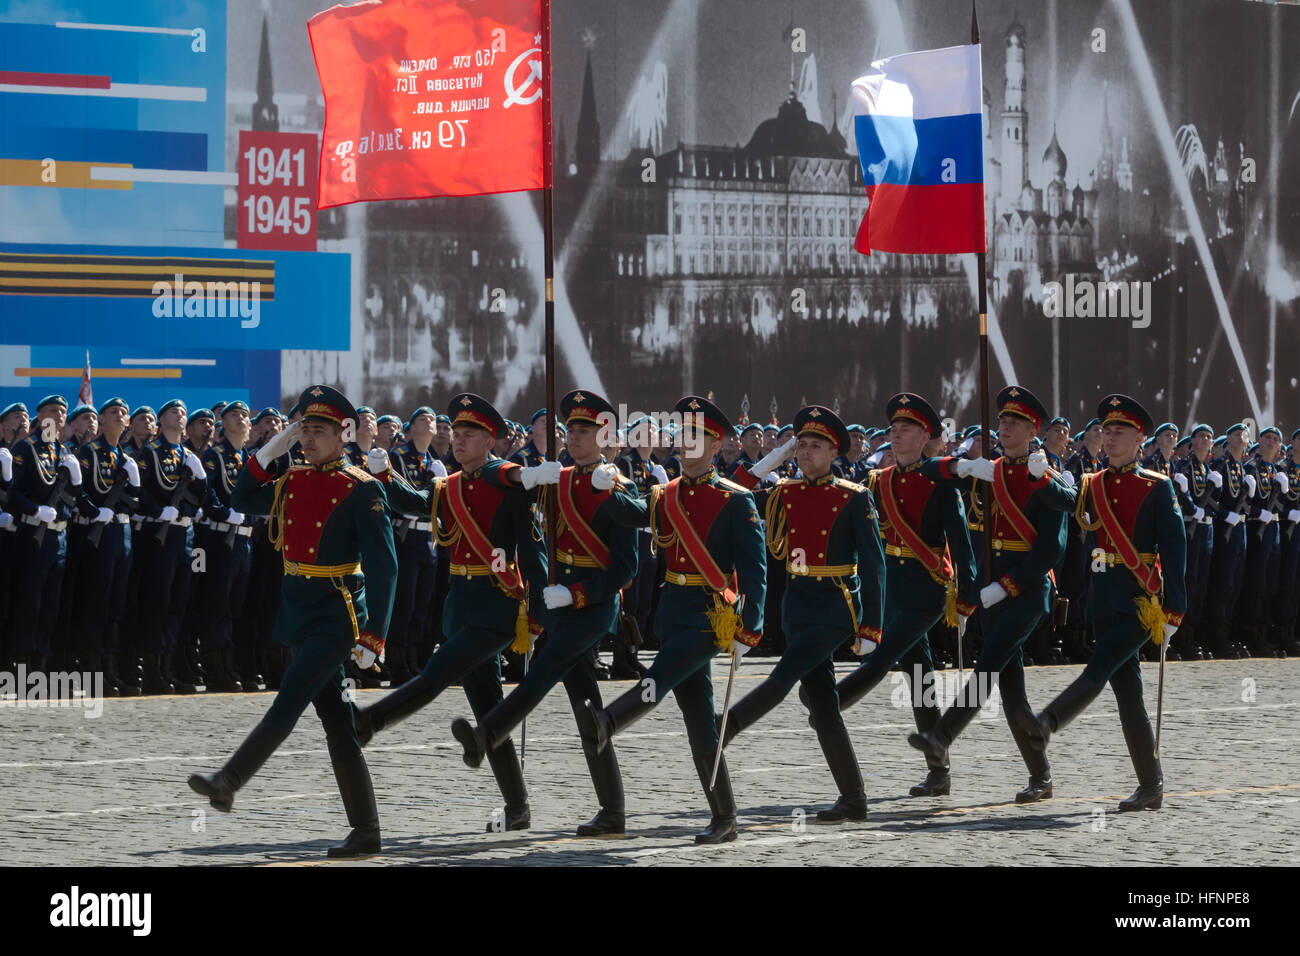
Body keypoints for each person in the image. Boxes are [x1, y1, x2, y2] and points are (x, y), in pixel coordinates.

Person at [188, 385, 398, 857]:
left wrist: (375, 634)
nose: (307, 438)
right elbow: (242, 495)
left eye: (318, 430)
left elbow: (386, 568)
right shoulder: (293, 482)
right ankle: (366, 830)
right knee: (338, 724)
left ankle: (230, 779)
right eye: (303, 429)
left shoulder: (362, 489)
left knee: (290, 698)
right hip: (299, 610)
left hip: (338, 613)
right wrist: (270, 449)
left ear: (342, 435)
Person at [356, 393, 553, 831]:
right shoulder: (449, 485)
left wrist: (539, 612)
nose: (458, 442)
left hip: (497, 605)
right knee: (488, 707)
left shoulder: (507, 478)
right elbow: (414, 503)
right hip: (460, 604)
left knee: (438, 670)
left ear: (489, 440)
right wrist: (384, 475)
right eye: (457, 434)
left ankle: (371, 720)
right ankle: (518, 808)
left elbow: (535, 553)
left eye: (469, 435)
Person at [575, 395, 766, 844]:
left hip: (709, 616)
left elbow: (755, 572)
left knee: (660, 675)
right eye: (681, 434)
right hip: (674, 610)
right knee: (700, 720)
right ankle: (725, 816)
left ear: (716, 444)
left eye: (694, 436)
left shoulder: (736, 501)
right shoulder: (665, 493)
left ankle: (609, 722)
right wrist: (608, 484)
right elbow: (633, 513)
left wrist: (750, 627)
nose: (684, 442)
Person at [451, 388, 639, 835]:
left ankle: (485, 735)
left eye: (584, 429)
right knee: (586, 708)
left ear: (605, 434)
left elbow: (626, 569)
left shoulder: (619, 486)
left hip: (592, 608)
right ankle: (612, 811)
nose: (573, 436)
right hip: (559, 605)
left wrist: (575, 595)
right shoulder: (557, 480)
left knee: (541, 673)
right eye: (570, 428)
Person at [1017, 394, 1187, 812]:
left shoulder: (1157, 487)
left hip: (1138, 602)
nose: (1110, 438)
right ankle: (1151, 786)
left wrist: (1175, 611)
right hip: (1102, 599)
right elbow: (1066, 499)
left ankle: (1047, 722)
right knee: (1129, 696)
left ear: (1139, 437)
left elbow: (1176, 551)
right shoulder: (1093, 483)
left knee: (1099, 668)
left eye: (1120, 431)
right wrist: (1041, 477)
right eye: (1106, 431)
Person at [804, 393, 979, 797]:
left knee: (881, 657)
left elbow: (963, 548)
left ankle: (829, 703)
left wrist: (966, 599)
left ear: (926, 438)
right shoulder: (877, 482)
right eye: (894, 429)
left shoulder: (942, 486)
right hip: (892, 589)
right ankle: (939, 770)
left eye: (906, 430)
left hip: (927, 590)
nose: (896, 435)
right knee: (919, 677)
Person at [908, 386, 1078, 802]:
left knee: (987, 666)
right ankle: (1041, 776)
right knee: (1012, 692)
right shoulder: (989, 470)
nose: (1004, 428)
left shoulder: (1044, 475)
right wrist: (963, 467)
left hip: (1024, 593)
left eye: (1014, 422)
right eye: (1002, 421)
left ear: (1033, 429)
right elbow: (924, 471)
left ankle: (941, 735)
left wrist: (1007, 587)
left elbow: (1051, 549)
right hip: (988, 593)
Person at [723, 406, 885, 821]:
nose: (806, 453)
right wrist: (769, 462)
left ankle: (724, 726)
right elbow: (732, 494)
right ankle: (853, 799)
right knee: (823, 705)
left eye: (816, 446)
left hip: (834, 606)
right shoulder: (784, 492)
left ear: (834, 452)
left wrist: (872, 624)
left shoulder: (854, 496)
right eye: (801, 446)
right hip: (797, 605)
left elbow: (873, 563)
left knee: (783, 676)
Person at [131, 399, 208, 694]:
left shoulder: (188, 456)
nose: (180, 416)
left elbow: (202, 498)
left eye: (183, 413)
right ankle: (152, 670)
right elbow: (139, 492)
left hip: (184, 537)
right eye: (174, 413)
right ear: (161, 421)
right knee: (158, 603)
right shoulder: (149, 454)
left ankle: (167, 666)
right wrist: (157, 510)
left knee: (178, 603)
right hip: (158, 536)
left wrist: (200, 478)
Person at [71, 397, 141, 696]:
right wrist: (92, 511)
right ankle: (91, 672)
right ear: (101, 419)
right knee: (96, 604)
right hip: (97, 535)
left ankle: (110, 671)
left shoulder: (124, 458)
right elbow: (79, 493)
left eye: (123, 413)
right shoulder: (89, 452)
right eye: (113, 412)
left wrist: (135, 483)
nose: (120, 416)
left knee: (116, 605)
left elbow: (135, 500)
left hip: (121, 534)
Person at [194, 401, 258, 692]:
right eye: (235, 415)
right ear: (223, 422)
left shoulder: (251, 460)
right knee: (217, 603)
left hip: (244, 538)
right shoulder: (214, 455)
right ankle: (215, 668)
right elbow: (205, 493)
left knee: (236, 605)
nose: (241, 419)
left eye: (245, 415)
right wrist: (224, 513)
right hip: (220, 538)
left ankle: (229, 664)